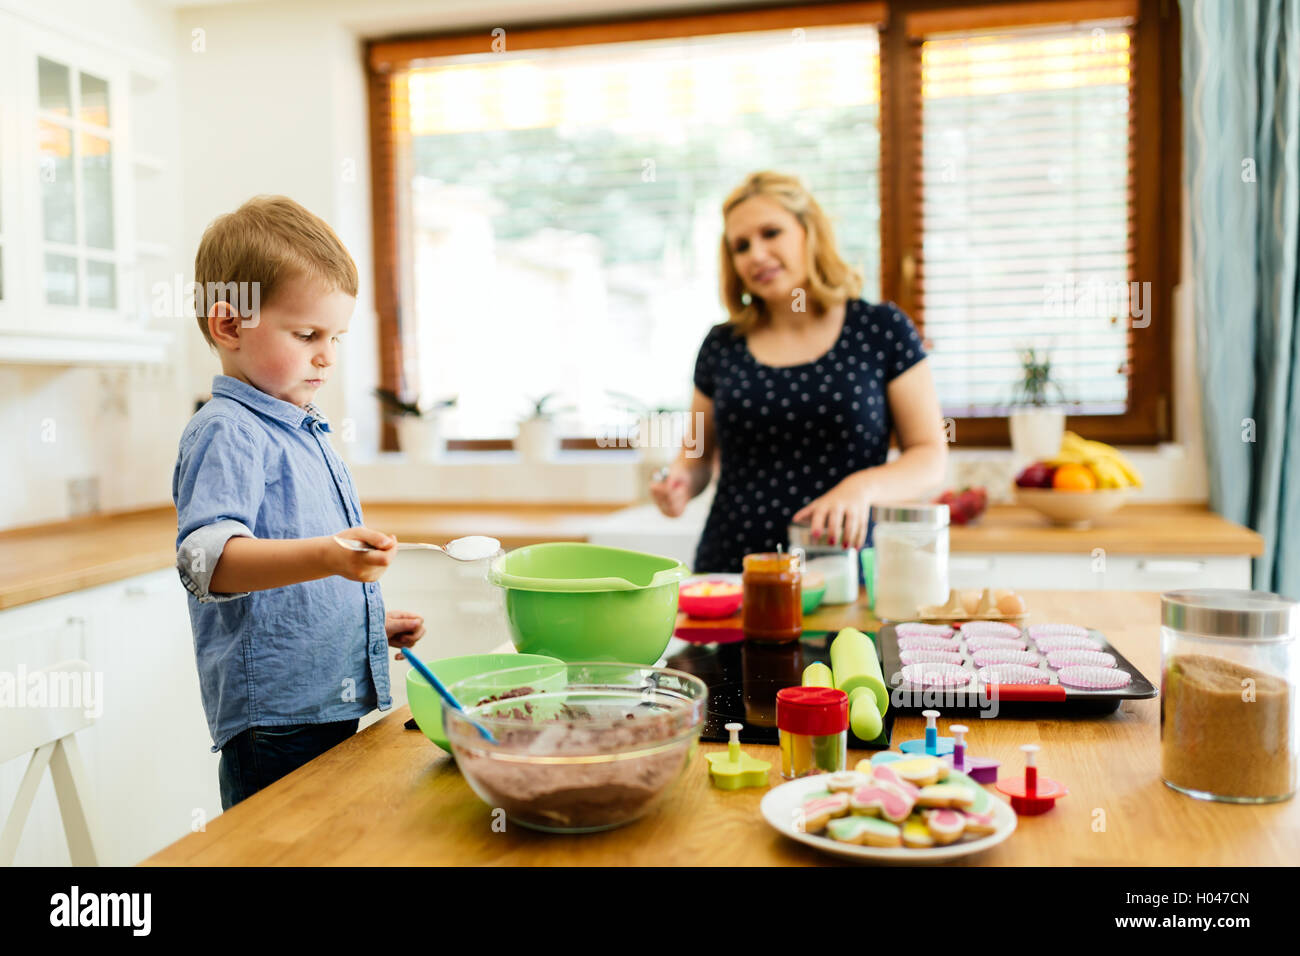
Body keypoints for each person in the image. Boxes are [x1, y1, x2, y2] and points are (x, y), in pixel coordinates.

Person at [172, 196, 426, 810]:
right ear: (229, 325)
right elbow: (209, 563)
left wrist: (357, 626)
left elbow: (292, 588)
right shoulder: (229, 429)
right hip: (275, 725)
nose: (327, 356)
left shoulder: (301, 429)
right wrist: (330, 557)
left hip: (320, 701)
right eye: (308, 334)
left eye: (335, 336)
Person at [650, 171, 947, 573]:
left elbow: (929, 455)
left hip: (843, 571)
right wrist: (681, 480)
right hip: (733, 572)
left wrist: (862, 487)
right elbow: (698, 455)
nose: (755, 254)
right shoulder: (721, 345)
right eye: (741, 246)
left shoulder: (881, 330)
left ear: (809, 232)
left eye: (771, 233)